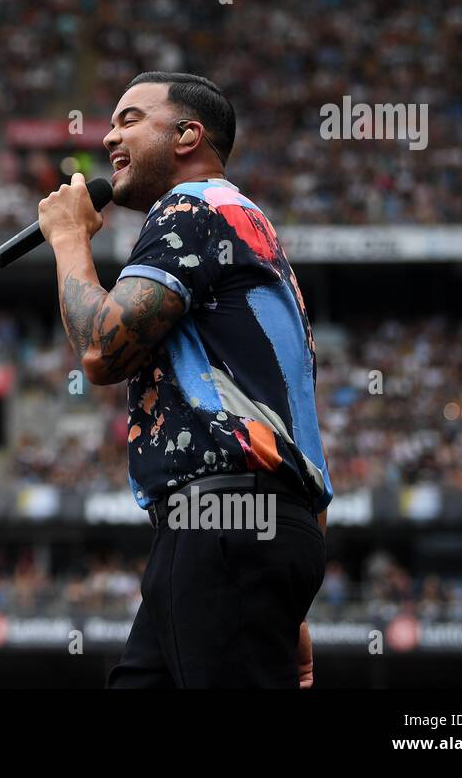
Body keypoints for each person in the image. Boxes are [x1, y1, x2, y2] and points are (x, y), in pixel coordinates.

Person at [37, 71, 333, 687]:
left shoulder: (193, 207)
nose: (109, 138)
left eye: (130, 120)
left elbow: (101, 350)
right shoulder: (253, 233)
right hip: (242, 528)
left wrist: (68, 239)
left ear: (187, 136)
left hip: (223, 523)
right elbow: (296, 417)